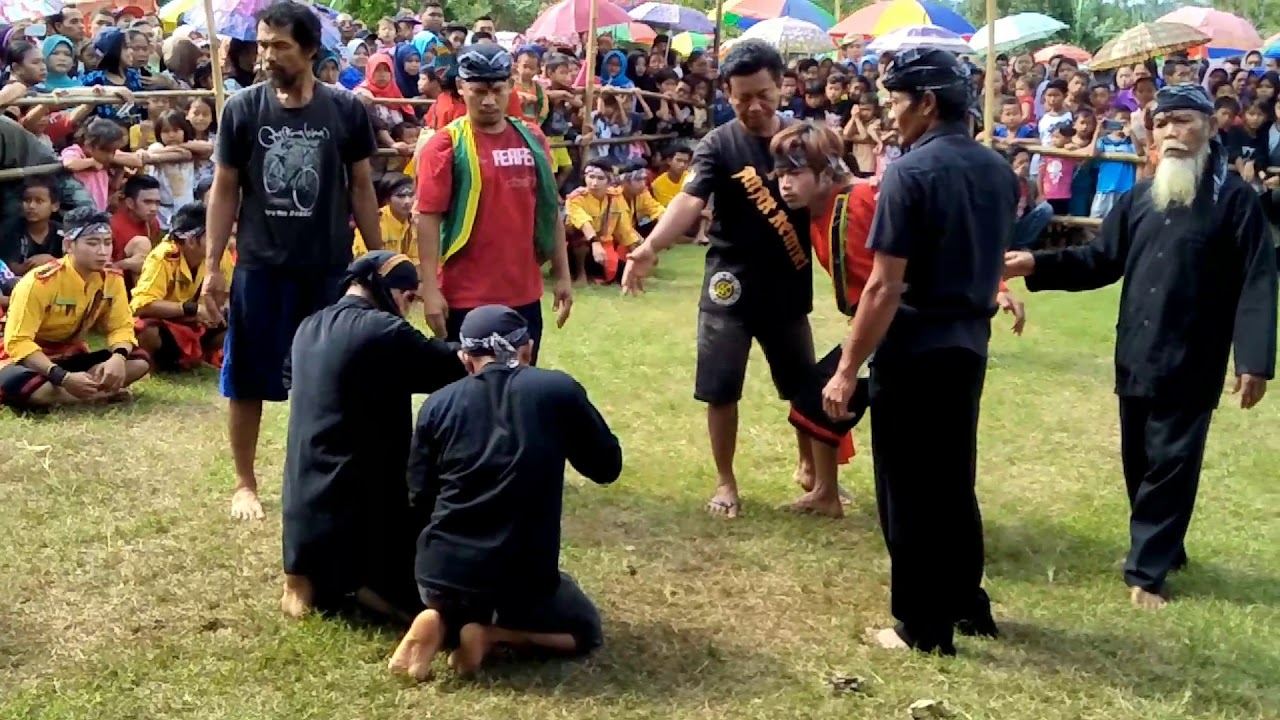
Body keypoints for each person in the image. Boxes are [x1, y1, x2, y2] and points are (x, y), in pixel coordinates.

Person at [1004, 84, 1278, 610]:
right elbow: (1100, 261)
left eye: (1183, 121)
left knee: (1172, 461)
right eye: (1162, 123)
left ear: (1210, 128)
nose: (1172, 132)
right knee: (1139, 459)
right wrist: (1037, 263)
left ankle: (1147, 572)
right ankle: (1162, 545)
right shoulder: (1138, 199)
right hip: (1136, 351)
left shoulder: (1235, 202)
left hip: (1193, 356)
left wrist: (1253, 361)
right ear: (1151, 135)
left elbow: (1257, 282)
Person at [819, 48, 1018, 655]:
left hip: (915, 346)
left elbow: (882, 285)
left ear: (927, 103)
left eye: (898, 103)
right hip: (969, 344)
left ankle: (921, 625)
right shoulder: (999, 171)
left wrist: (847, 369)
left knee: (906, 488)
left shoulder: (907, 173)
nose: (891, 117)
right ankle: (967, 604)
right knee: (953, 479)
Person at [774, 122, 1025, 519]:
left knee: (828, 400)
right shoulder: (813, 211)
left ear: (826, 172)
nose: (785, 184)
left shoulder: (863, 199)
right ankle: (824, 489)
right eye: (781, 174)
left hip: (903, 326)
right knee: (814, 400)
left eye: (795, 173)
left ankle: (836, 494)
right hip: (877, 323)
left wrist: (996, 285)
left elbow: (934, 242)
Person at [201, 2, 383, 522]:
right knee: (247, 379)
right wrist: (214, 264)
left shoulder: (346, 109)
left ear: (308, 50)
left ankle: (331, 479)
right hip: (260, 267)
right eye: (262, 45)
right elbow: (225, 189)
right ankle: (244, 483)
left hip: (328, 269)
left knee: (334, 380)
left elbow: (363, 187)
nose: (266, 56)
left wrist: (376, 259)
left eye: (278, 45)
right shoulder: (242, 109)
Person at [622, 40, 816, 519]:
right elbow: (689, 203)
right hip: (728, 287)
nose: (754, 105)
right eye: (742, 96)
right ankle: (726, 481)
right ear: (726, 94)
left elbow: (837, 194)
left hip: (789, 284)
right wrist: (649, 247)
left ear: (781, 86)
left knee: (802, 385)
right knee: (721, 387)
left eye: (764, 94)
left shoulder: (804, 140)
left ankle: (811, 468)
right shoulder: (718, 144)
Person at [388, 305, 621, 682]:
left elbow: (419, 496)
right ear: (526, 349)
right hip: (520, 577)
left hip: (438, 573)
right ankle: (491, 635)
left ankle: (441, 617)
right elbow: (607, 468)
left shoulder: (437, 404)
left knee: (463, 593)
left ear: (465, 358)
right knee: (584, 630)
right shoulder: (556, 390)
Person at [280, 251, 466, 621]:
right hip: (355, 504)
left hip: (302, 509)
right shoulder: (384, 330)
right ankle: (356, 586)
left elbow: (290, 378)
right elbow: (448, 364)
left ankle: (307, 581)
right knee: (437, 606)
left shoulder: (309, 326)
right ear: (389, 289)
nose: (408, 308)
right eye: (409, 298)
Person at [415, 44, 572, 362]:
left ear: (511, 86)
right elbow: (427, 219)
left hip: (524, 293)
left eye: (497, 90)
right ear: (461, 87)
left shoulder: (533, 138)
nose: (488, 100)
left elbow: (548, 209)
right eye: (479, 91)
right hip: (466, 297)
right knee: (470, 395)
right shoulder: (445, 145)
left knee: (520, 392)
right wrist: (430, 289)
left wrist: (563, 274)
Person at [0, 208, 152, 410]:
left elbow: (121, 326)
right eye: (92, 243)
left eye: (107, 242)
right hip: (26, 359)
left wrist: (118, 357)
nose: (103, 251)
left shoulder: (112, 279)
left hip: (69, 354)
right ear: (69, 245)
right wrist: (62, 377)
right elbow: (18, 342)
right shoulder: (39, 282)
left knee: (139, 361)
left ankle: (76, 393)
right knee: (27, 386)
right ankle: (97, 393)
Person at [131, 202, 234, 371]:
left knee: (241, 322)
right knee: (147, 330)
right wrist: (191, 309)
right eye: (214, 235)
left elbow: (225, 295)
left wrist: (216, 311)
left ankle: (203, 358)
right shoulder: (164, 256)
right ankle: (151, 365)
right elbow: (141, 305)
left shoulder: (221, 257)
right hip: (168, 324)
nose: (223, 241)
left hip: (199, 323)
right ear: (192, 240)